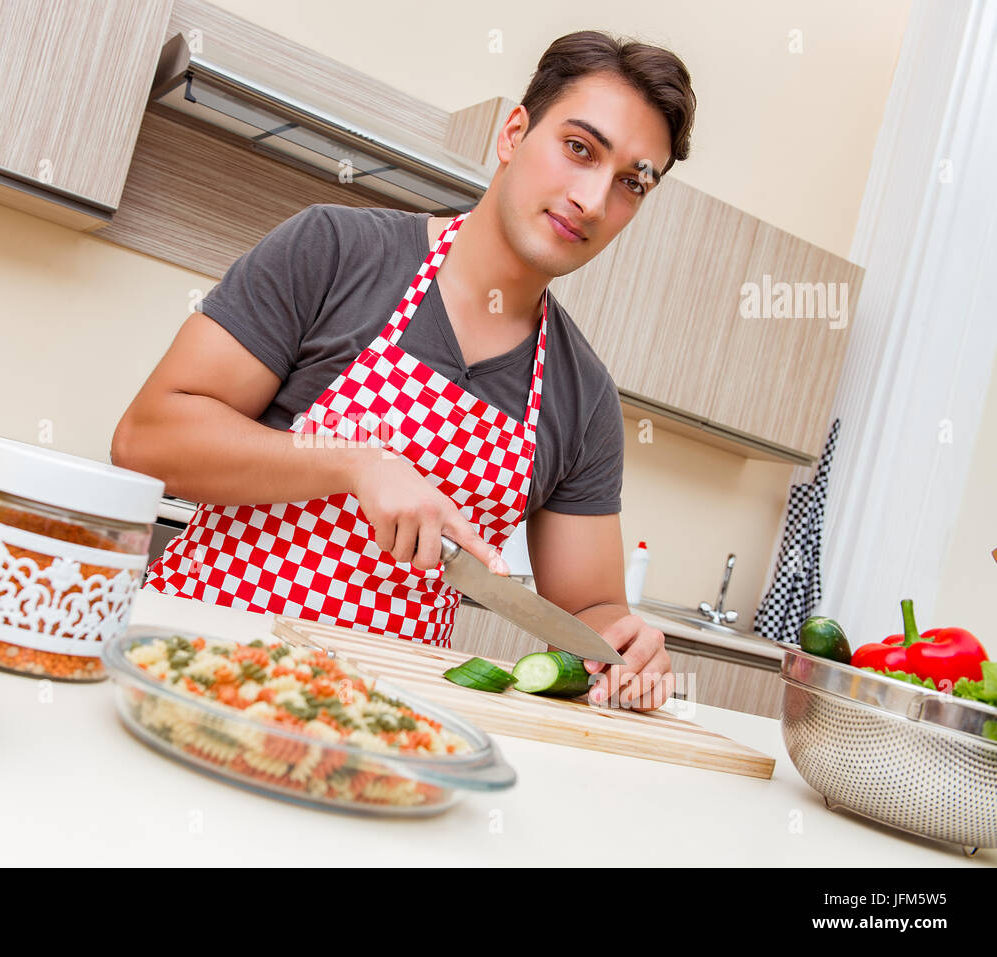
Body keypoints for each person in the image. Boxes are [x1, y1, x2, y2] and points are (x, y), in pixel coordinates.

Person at [113, 30, 697, 711]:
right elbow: (145, 438)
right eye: (579, 148)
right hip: (194, 663)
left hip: (387, 717)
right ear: (514, 133)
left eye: (632, 182)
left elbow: (589, 608)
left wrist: (624, 649)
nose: (594, 200)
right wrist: (353, 462)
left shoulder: (584, 397)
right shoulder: (333, 250)